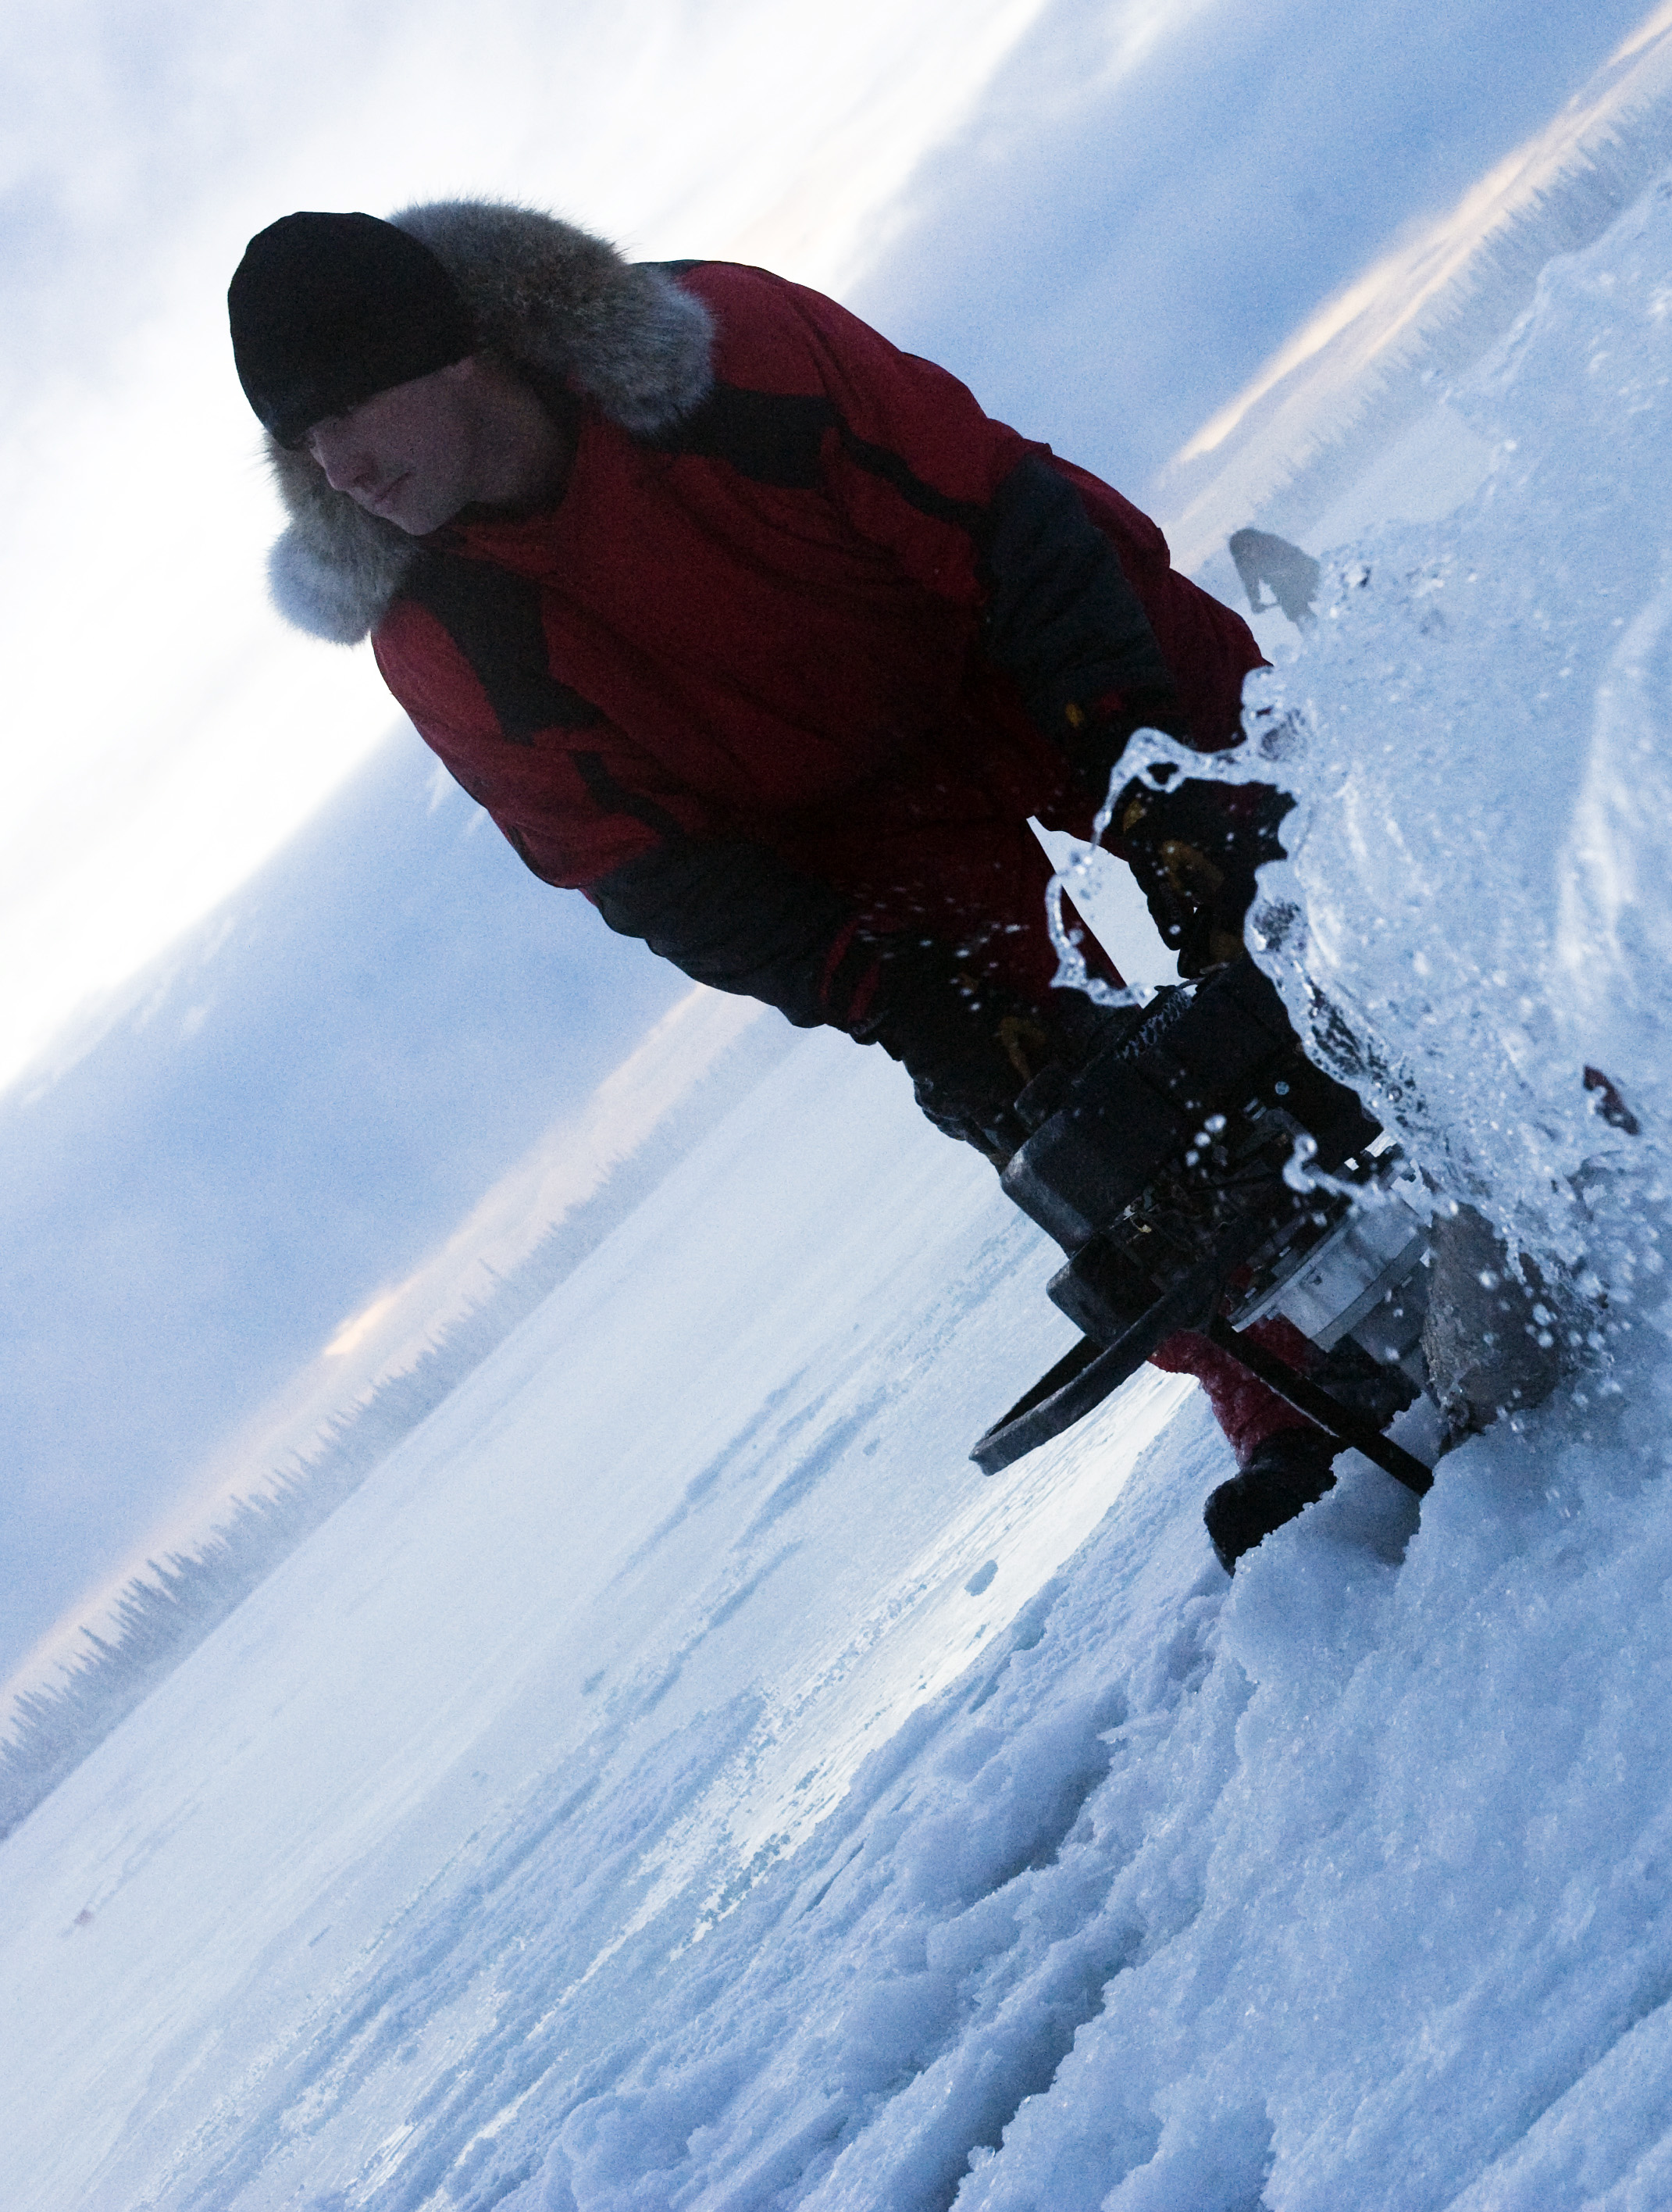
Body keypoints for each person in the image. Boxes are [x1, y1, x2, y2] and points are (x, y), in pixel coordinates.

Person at [227, 201, 1441, 1557]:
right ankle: (1279, 1393)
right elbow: (648, 870)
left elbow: (1003, 523)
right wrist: (911, 1002)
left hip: (1045, 638)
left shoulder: (727, 352)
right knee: (1056, 1114)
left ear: (454, 353)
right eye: (299, 439)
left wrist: (1137, 774)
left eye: (349, 407)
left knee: (1280, 873)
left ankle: (1508, 1114)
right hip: (866, 837)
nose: (334, 467)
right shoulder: (442, 640)